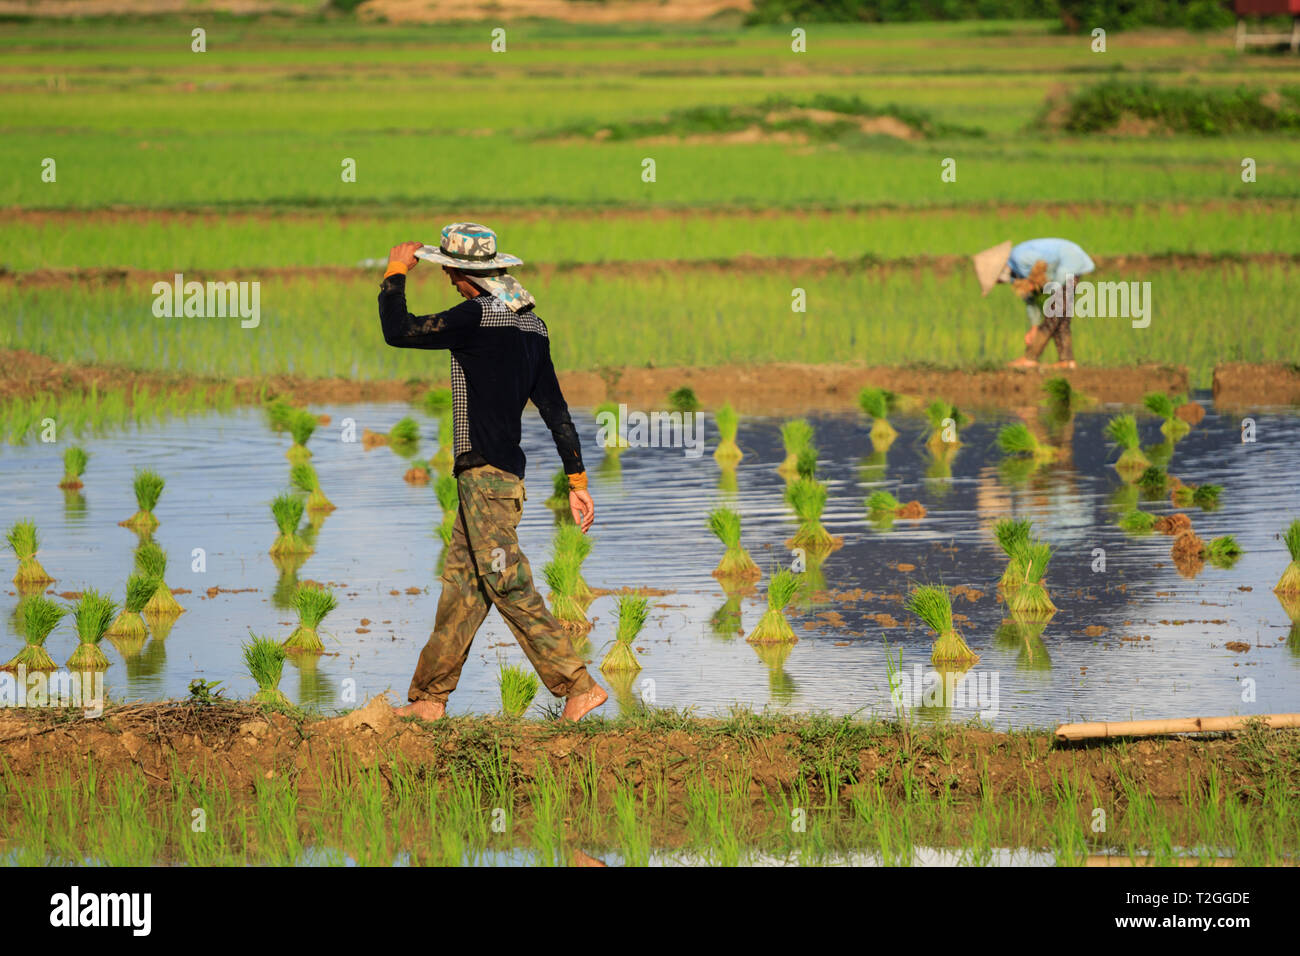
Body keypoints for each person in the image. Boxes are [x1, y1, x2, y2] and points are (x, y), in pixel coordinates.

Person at [378, 222, 607, 722]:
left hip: (485, 477)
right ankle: (428, 700)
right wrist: (577, 481)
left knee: (506, 580)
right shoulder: (532, 326)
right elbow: (555, 408)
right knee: (462, 588)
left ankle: (579, 686)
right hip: (500, 481)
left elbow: (398, 331)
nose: (450, 283)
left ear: (466, 275)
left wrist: (395, 274)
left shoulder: (475, 317)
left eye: (450, 275)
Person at [972, 237, 1095, 370]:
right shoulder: (1015, 275)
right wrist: (1034, 327)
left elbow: (1042, 267)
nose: (1000, 283)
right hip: (1063, 271)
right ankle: (1067, 361)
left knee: (1053, 315)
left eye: (997, 280)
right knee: (1061, 317)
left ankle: (1031, 357)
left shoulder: (1019, 258)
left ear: (1000, 270)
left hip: (1068, 263)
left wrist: (1035, 282)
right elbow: (1031, 300)